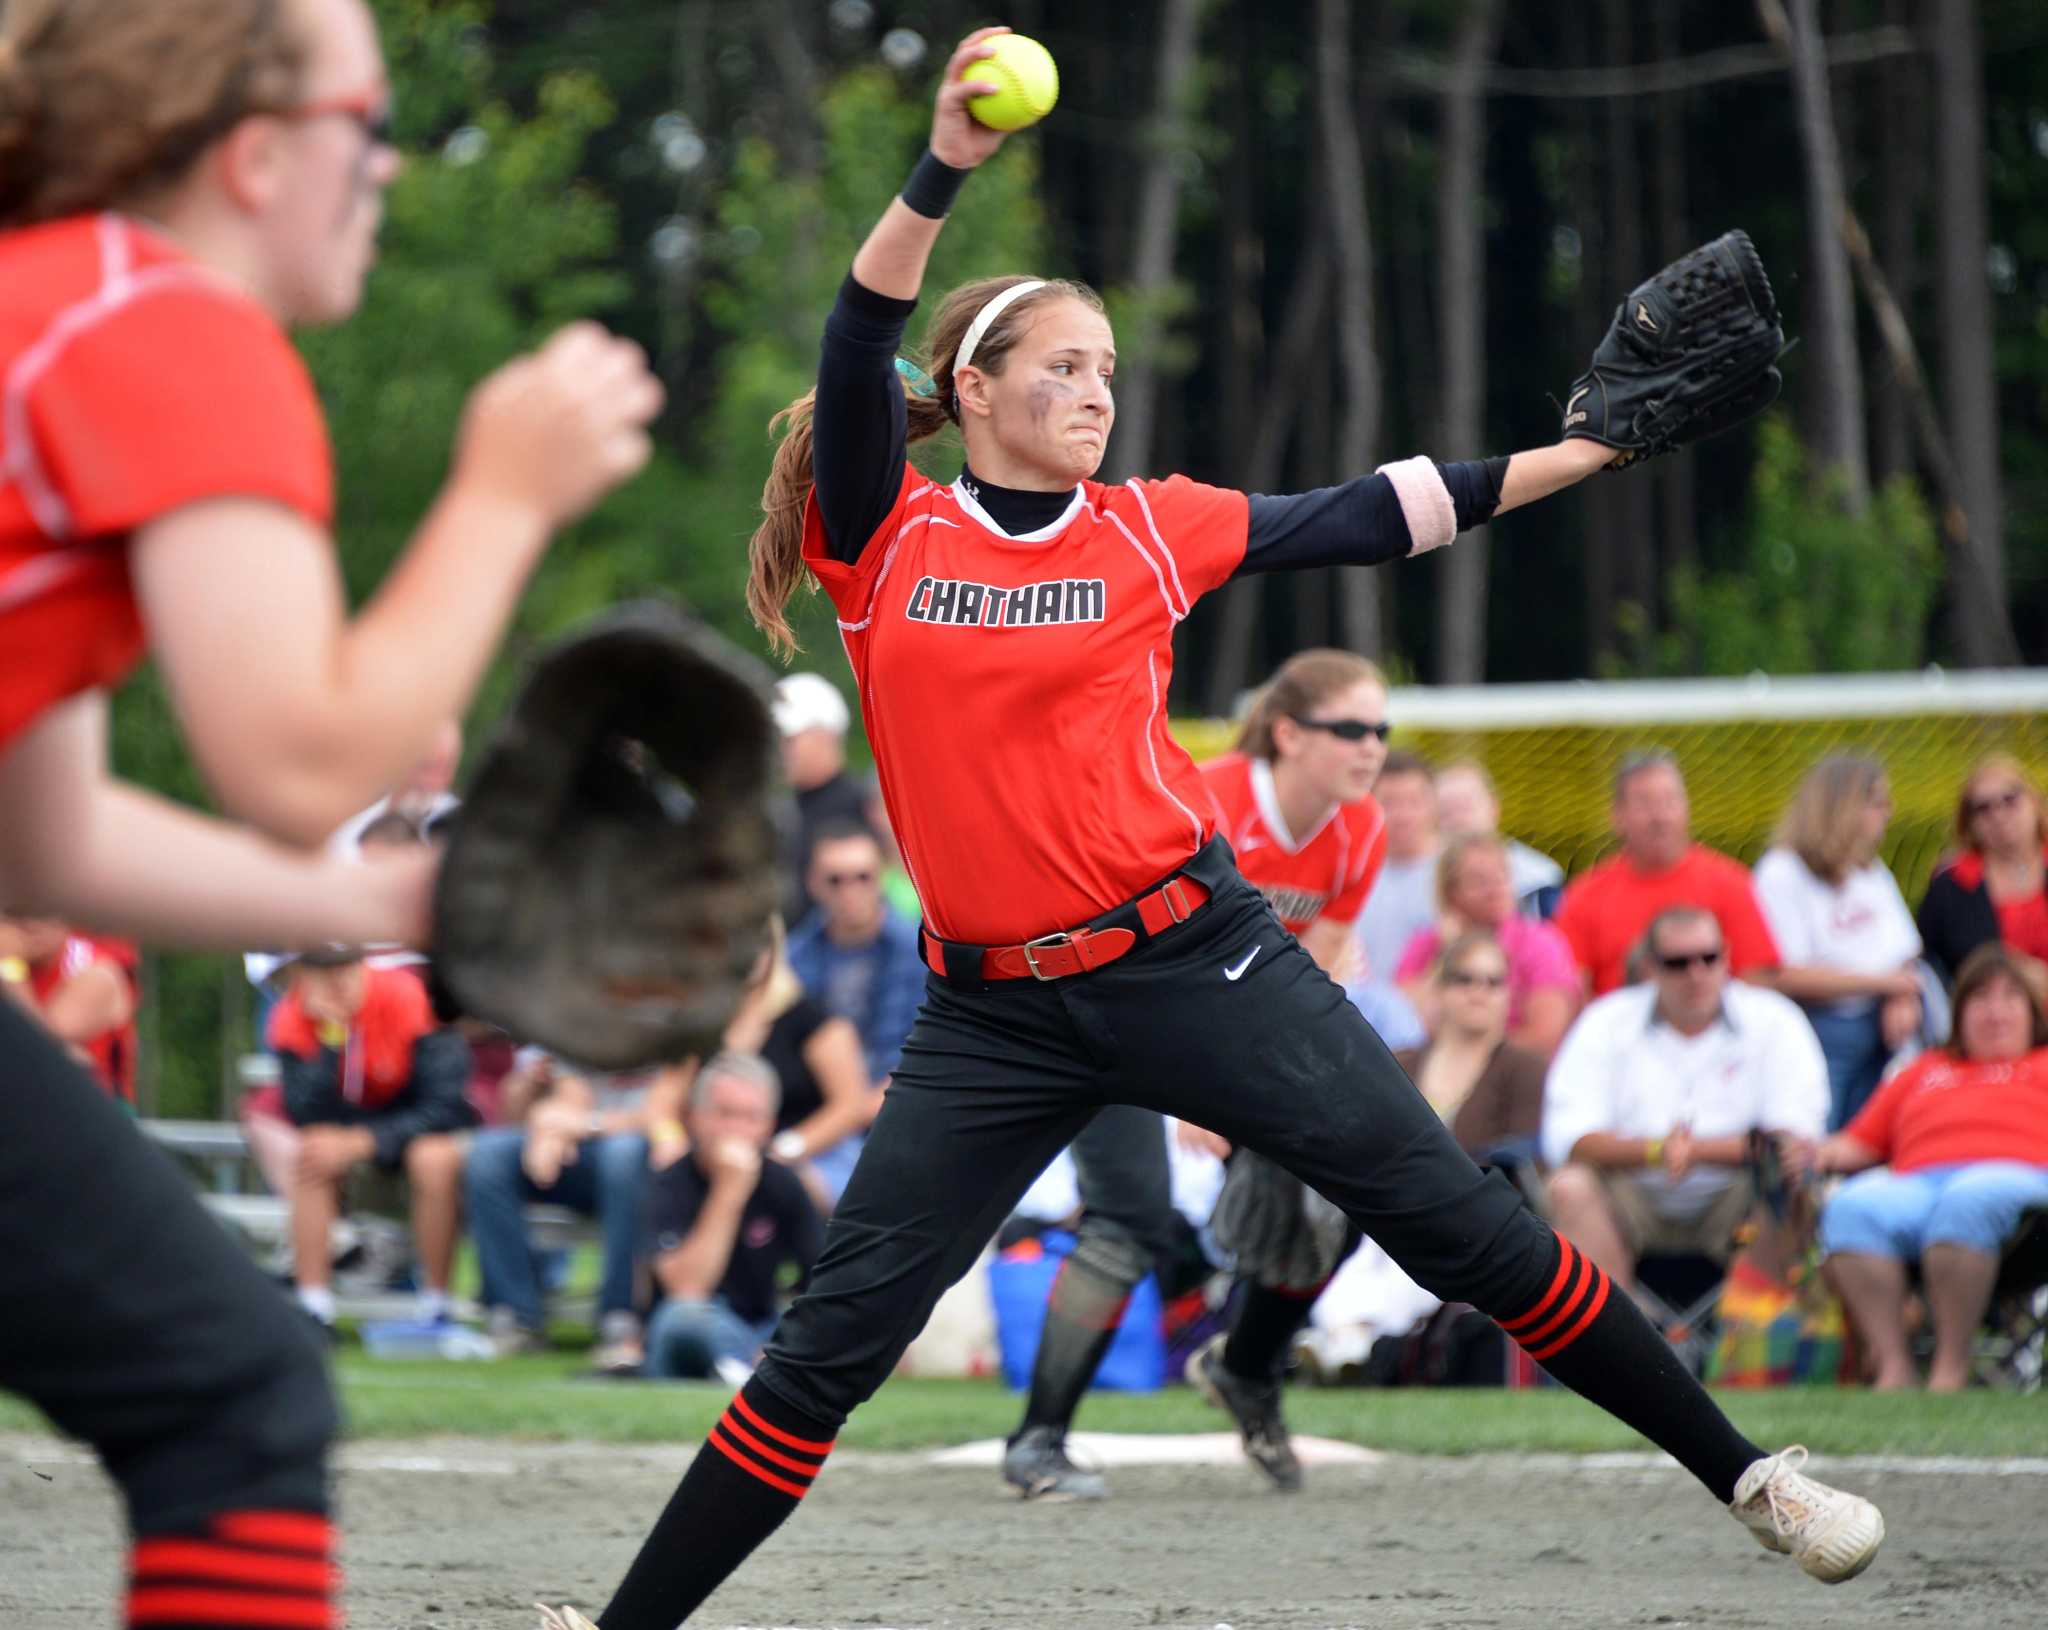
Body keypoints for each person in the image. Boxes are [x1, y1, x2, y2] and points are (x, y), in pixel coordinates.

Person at [548, 31, 1881, 1629]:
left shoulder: (1146, 525)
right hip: (991, 1010)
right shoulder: (879, 534)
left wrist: (1584, 451)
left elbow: (1379, 509)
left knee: (1459, 1223)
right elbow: (859, 328)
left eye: (1107, 368)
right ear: (970, 389)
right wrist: (946, 166)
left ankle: (1750, 1477)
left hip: (1194, 954)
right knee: (831, 1341)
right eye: (1060, 366)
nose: (1094, 391)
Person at [0, 1, 659, 1621]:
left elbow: (47, 840)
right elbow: (299, 760)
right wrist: (503, 497)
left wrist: (389, 911)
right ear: (253, 152)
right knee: (234, 1398)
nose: (385, 161)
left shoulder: (63, 305)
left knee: (222, 1384)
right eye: (370, 121)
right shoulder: (159, 322)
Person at [1004, 646, 1394, 1499]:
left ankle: (1247, 1366)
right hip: (1101, 1006)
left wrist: (1281, 1099)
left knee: (1342, 1176)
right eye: (1353, 728)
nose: (1373, 747)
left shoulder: (1358, 829)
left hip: (1226, 1030)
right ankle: (1039, 1439)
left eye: (1382, 730)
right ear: (1288, 734)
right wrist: (1189, 1079)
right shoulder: (1204, 795)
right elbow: (1135, 931)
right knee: (1129, 1220)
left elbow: (1308, 985)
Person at [1542, 908, 1829, 1299]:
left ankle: (1756, 1350)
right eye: (1678, 963)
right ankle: (1606, 1349)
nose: (1696, 973)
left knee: (1791, 1180)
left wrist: (1691, 1151)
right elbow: (1570, 1138)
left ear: (1726, 956)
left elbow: (1793, 1139)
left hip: (1738, 1198)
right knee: (1570, 1187)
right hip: (1630, 1200)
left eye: (1708, 958)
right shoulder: (1604, 1020)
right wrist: (1658, 1150)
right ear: (1650, 967)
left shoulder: (1775, 1019)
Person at [1813, 943, 2048, 1391]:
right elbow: (1855, 1143)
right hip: (1920, 1186)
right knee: (1851, 1206)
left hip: (2022, 1186)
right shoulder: (1925, 1068)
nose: (1995, 1013)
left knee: (1968, 1197)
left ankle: (1949, 1368)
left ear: (2033, 1011)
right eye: (1980, 999)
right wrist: (1808, 1152)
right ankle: (1893, 1367)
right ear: (1959, 1012)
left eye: (2010, 999)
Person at [270, 947, 475, 1333]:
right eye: (322, 971)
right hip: (351, 1133)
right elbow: (304, 1112)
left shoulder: (410, 998)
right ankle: (314, 1307)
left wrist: (366, 1141)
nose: (339, 982)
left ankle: (437, 1304)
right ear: (302, 975)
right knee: (312, 1149)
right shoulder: (293, 1016)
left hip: (419, 1129)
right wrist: (331, 1039)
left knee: (434, 1159)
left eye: (346, 968)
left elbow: (444, 1105)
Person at [465, 1050, 691, 1366]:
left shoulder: (671, 1036)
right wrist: (549, 1136)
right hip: (577, 1151)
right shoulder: (577, 1029)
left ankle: (620, 1317)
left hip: (641, 1160)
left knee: (623, 1154)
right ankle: (515, 1315)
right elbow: (564, 1099)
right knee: (488, 1153)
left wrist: (582, 1125)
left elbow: (658, 1115)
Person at [1752, 756, 1925, 1129]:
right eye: (1877, 802)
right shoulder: (1782, 872)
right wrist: (1884, 984)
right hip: (1819, 1034)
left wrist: (1902, 996)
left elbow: (1905, 951)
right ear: (1843, 805)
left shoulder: (1869, 869)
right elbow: (1781, 974)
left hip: (1882, 1032)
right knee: (1814, 1145)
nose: (1888, 813)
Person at [643, 1053, 824, 1383]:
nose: (737, 1130)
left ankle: (748, 1368)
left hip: (762, 1325)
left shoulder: (782, 1182)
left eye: (751, 1117)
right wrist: (729, 1192)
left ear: (769, 1125)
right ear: (695, 1117)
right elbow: (687, 1288)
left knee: (818, 1328)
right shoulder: (671, 1181)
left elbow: (820, 1279)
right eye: (725, 1114)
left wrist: (785, 1340)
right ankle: (746, 1370)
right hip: (691, 1327)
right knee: (682, 1318)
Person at [1553, 751, 1781, 997]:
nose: (1659, 817)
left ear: (1687, 808)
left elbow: (1757, 980)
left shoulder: (1730, 882)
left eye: (1669, 801)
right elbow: (1571, 991)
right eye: (1644, 804)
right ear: (1616, 816)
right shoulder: (1585, 895)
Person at [1394, 832, 1581, 1057]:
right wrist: (1446, 953)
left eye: (1502, 875)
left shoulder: (1539, 943)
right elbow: (1403, 1024)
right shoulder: (1427, 943)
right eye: (1479, 881)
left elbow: (1544, 1037)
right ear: (1451, 893)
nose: (1496, 889)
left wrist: (1469, 1054)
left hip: (1512, 1072)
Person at [723, 942, 880, 1207]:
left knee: (794, 1187)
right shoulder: (705, 1021)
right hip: (725, 1151)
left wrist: (784, 1150)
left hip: (814, 1151)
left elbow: (851, 1106)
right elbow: (671, 1098)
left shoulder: (812, 1019)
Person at [786, 823, 926, 1089]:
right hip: (820, 1103)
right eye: (835, 880)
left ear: (882, 875)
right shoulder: (792, 958)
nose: (850, 891)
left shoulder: (921, 952)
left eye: (862, 877)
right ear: (812, 883)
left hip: (905, 1097)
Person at [1916, 754, 2048, 988]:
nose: (1998, 814)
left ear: (2035, 801)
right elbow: (1924, 960)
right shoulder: (1950, 886)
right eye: (1983, 808)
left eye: (2010, 799)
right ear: (1969, 823)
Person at [0, 914, 139, 1101]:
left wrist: (8, 965)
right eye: (16, 914)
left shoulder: (97, 969)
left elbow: (39, 1045)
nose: (30, 924)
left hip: (92, 1117)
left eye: (41, 913)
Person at [774, 671, 871, 924]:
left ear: (826, 736)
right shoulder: (781, 810)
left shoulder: (868, 809)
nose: (779, 748)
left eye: (789, 739)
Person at [1350, 749, 1439, 990]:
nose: (1403, 815)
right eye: (1389, 803)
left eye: (1414, 802)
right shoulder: (1350, 871)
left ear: (1433, 804)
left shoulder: (1455, 874)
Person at [1434, 758, 1564, 918]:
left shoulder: (1539, 878)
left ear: (1494, 808)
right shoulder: (1419, 877)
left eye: (1465, 807)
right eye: (1446, 811)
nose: (1458, 819)